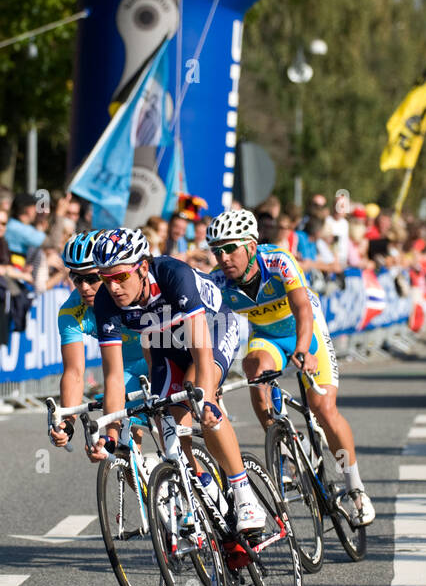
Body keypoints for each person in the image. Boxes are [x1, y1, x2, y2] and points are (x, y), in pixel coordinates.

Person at [87, 227, 268, 550]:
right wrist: (111, 434)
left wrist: (207, 396)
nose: (113, 287)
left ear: (142, 267)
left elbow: (200, 347)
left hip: (211, 331)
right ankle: (206, 493)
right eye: (105, 278)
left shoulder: (173, 274)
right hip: (164, 345)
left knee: (198, 398)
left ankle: (245, 496)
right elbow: (113, 375)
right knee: (169, 427)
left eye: (120, 277)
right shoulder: (105, 301)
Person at [206, 209, 375, 526]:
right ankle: (282, 445)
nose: (223, 257)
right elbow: (214, 335)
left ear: (251, 247)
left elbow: (301, 307)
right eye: (217, 251)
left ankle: (356, 489)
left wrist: (302, 350)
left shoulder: (278, 260)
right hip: (267, 337)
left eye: (231, 248)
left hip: (304, 331)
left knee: (323, 407)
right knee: (253, 367)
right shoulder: (217, 283)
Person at [49, 232, 150, 459]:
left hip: (157, 357)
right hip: (123, 369)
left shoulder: (129, 294)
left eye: (92, 278)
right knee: (123, 452)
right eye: (77, 278)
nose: (84, 287)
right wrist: (68, 421)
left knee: (170, 425)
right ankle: (153, 486)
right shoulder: (71, 311)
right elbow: (74, 372)